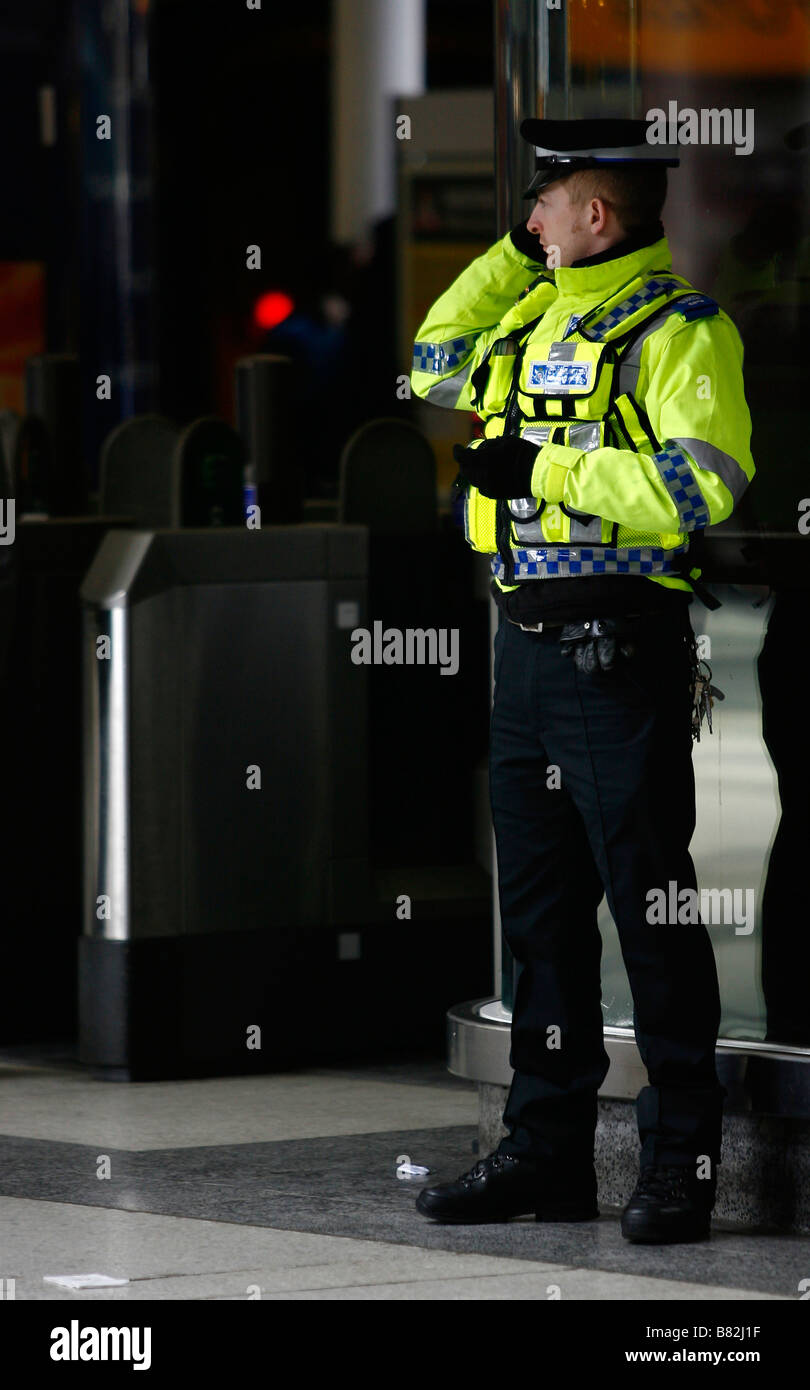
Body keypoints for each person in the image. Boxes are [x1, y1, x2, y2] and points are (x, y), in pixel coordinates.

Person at [409, 118, 755, 1243]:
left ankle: (680, 1160)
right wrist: (516, 262)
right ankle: (545, 1150)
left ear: (594, 215)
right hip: (524, 651)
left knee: (651, 913)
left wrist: (548, 465)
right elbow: (430, 360)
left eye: (544, 206)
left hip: (620, 656)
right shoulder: (526, 311)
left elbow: (705, 487)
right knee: (544, 922)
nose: (530, 221)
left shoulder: (684, 330)